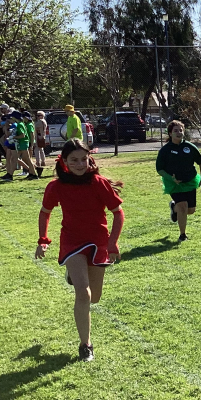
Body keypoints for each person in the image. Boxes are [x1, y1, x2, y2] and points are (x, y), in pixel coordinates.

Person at [35, 138, 125, 362]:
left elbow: (117, 212)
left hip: (98, 242)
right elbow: (45, 212)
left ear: (89, 159)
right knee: (83, 294)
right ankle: (86, 345)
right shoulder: (55, 187)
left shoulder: (98, 183)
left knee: (94, 298)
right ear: (64, 161)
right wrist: (43, 239)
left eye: (83, 159)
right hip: (72, 242)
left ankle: (74, 275)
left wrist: (113, 242)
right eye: (74, 160)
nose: (79, 164)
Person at [155, 120, 201, 242]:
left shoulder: (189, 147)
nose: (179, 133)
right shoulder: (165, 150)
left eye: (181, 130)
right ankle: (182, 235)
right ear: (170, 133)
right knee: (183, 206)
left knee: (190, 210)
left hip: (190, 181)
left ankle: (174, 208)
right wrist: (171, 178)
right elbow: (159, 169)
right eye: (175, 131)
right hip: (174, 184)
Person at [33, 111, 49, 176]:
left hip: (38, 137)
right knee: (41, 150)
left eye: (39, 115)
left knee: (37, 150)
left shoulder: (40, 122)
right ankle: (43, 161)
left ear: (42, 116)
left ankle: (38, 162)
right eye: (37, 115)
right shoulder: (44, 121)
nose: (37, 116)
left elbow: (34, 127)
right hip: (42, 137)